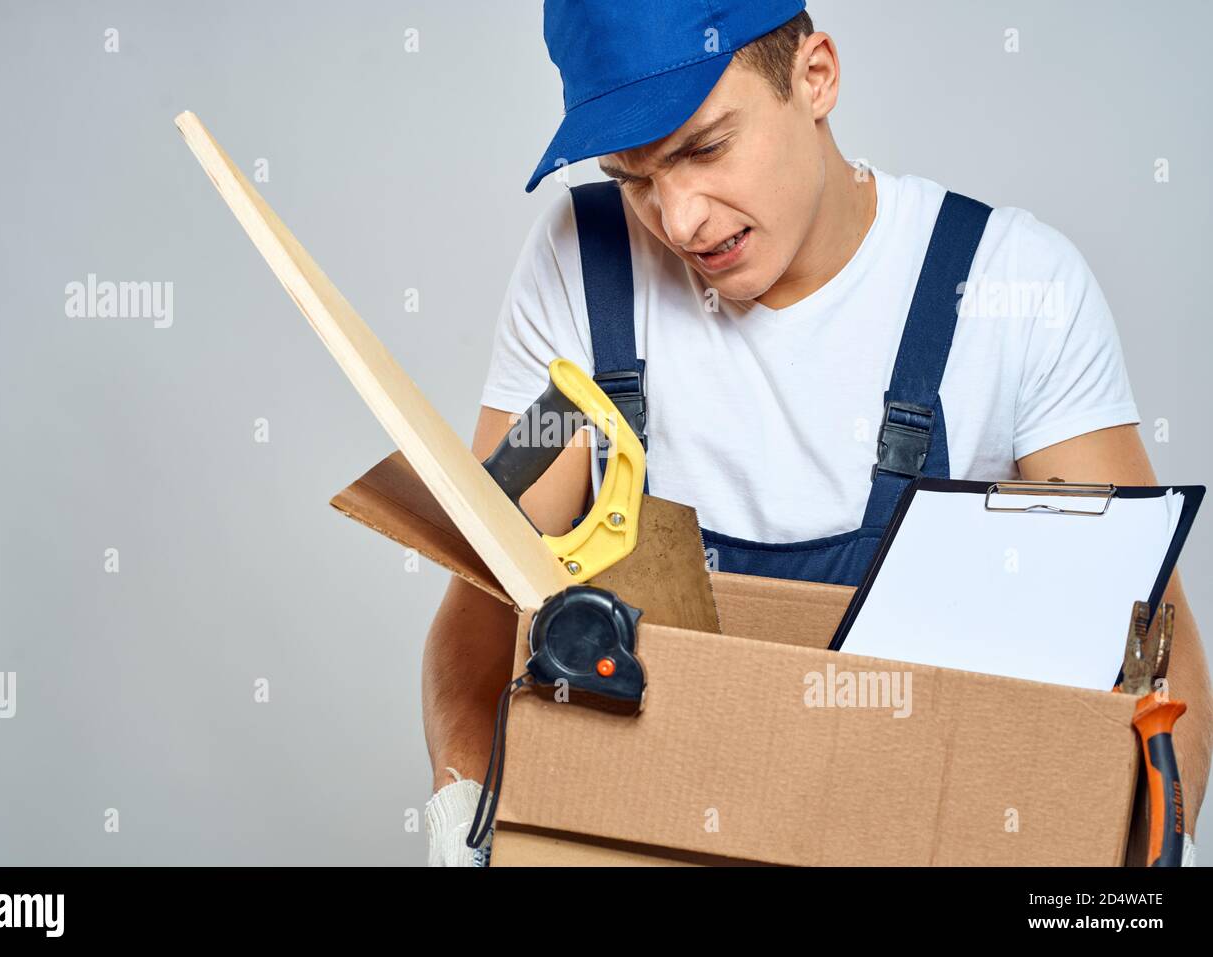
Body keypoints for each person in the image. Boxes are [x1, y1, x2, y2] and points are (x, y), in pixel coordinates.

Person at [422, 0, 1212, 866]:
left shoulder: (1011, 288)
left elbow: (1146, 644)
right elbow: (487, 586)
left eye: (705, 147)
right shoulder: (579, 264)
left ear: (816, 76)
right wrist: (464, 815)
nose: (677, 218)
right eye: (634, 177)